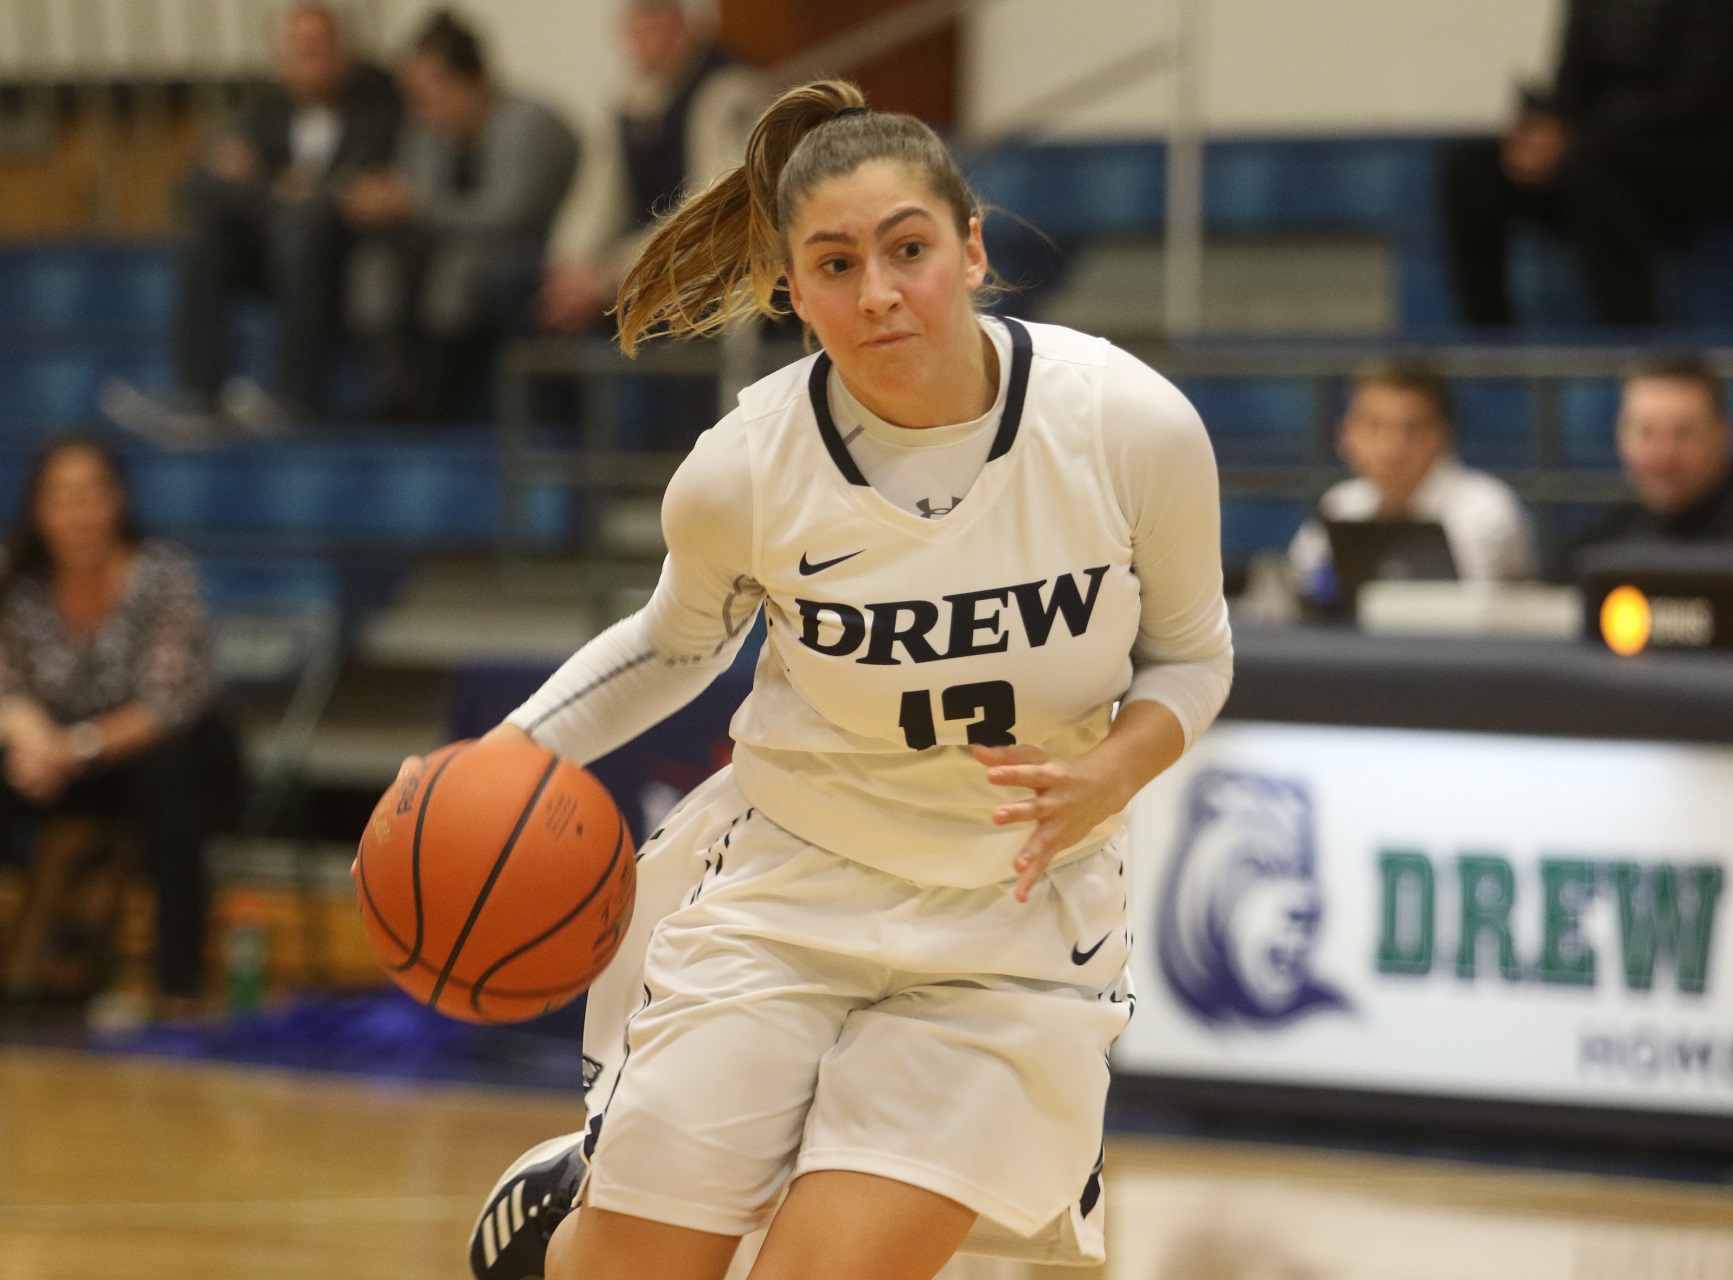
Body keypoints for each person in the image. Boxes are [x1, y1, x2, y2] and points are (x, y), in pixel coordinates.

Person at [451, 81, 1232, 1280]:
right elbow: (674, 644)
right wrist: (501, 757)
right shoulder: (744, 468)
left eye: (908, 249)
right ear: (792, 289)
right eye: (834, 263)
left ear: (971, 251)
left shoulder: (1129, 425)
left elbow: (1192, 655)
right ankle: (573, 1216)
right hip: (790, 891)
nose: (877, 291)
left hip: (1012, 927)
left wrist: (1112, 771)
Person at [0, 441, 226, 1020]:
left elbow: (168, 703)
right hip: (50, 756)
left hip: (149, 753)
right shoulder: (14, 577)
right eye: (61, 497)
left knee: (172, 774)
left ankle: (179, 986)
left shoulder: (162, 573)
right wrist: (31, 739)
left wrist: (75, 748)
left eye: (92, 494)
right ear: (38, 509)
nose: (78, 512)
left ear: (117, 501)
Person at [102, 4, 402, 439]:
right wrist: (280, 190)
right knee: (204, 243)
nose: (310, 61)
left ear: (346, 52)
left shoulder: (382, 103)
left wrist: (290, 190)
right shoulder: (265, 108)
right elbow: (202, 185)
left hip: (345, 257)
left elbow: (364, 190)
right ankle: (201, 396)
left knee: (302, 233)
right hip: (273, 252)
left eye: (320, 47)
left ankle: (297, 398)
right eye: (298, 50)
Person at [1440, 0, 1733, 328]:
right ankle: (1489, 342)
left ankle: (1634, 337)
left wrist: (1581, 136)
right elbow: (1571, 85)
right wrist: (1546, 129)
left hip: (1701, 165)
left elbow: (1698, 96)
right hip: (1599, 156)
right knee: (1470, 168)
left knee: (1589, 166)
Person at [343, 12, 580, 421]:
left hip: (539, 249)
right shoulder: (428, 128)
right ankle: (393, 394)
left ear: (470, 82)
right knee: (375, 262)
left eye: (427, 94)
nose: (419, 110)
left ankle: (438, 405)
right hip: (455, 243)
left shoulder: (529, 123)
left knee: (459, 267)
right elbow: (420, 197)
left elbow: (510, 215)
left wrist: (415, 207)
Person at [542, 0, 767, 336]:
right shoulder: (627, 102)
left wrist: (612, 275)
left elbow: (713, 211)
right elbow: (597, 196)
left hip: (712, 266)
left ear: (689, 30)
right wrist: (571, 264)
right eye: (642, 32)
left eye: (663, 30)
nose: (653, 43)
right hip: (641, 264)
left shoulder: (724, 93)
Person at [1287, 358, 1538, 600]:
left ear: (1444, 435)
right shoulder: (1340, 504)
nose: (1391, 447)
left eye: (1411, 429)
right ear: (1345, 435)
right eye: (1374, 425)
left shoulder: (1486, 509)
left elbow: (1461, 609)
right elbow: (1299, 588)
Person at [1568, 354, 1733, 567]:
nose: (1663, 456)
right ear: (1620, 437)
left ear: (1723, 435)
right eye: (1646, 433)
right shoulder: (1608, 532)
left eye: (1683, 434)